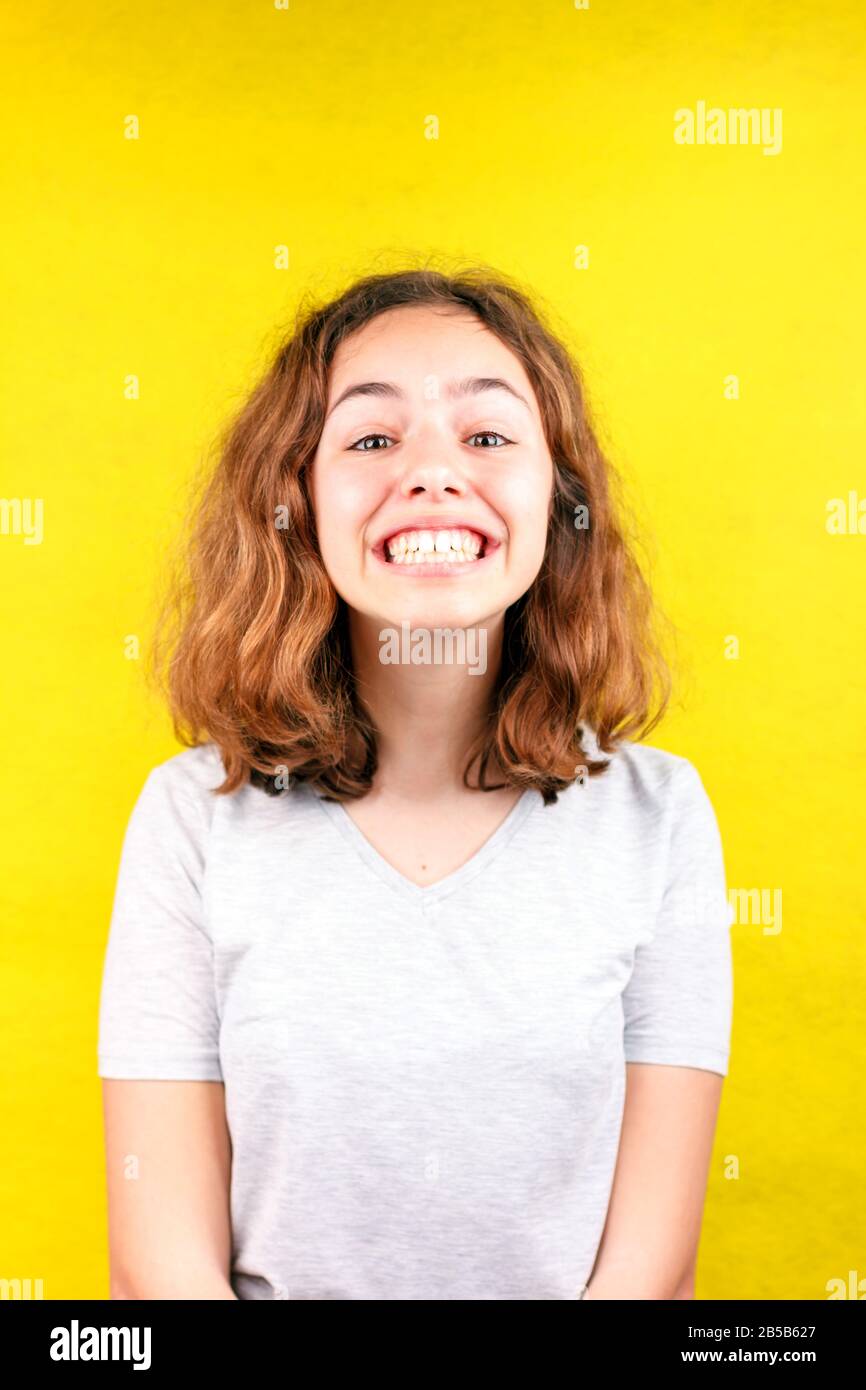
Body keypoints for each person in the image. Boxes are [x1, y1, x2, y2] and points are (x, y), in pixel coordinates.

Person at [98, 265, 734, 1301]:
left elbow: (648, 1273)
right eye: (370, 438)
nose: (434, 473)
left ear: (558, 497)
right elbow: (158, 1268)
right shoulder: (191, 818)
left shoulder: (658, 819)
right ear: (292, 499)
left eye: (486, 437)